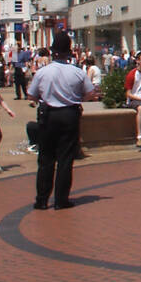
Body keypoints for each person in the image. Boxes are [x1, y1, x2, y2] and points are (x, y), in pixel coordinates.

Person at [27, 32, 99, 210]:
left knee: (45, 159)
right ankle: (61, 199)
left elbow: (31, 95)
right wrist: (77, 98)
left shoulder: (43, 72)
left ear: (53, 52)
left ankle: (42, 199)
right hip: (69, 114)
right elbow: (91, 93)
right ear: (69, 53)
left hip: (48, 115)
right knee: (65, 159)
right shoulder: (77, 73)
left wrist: (45, 97)